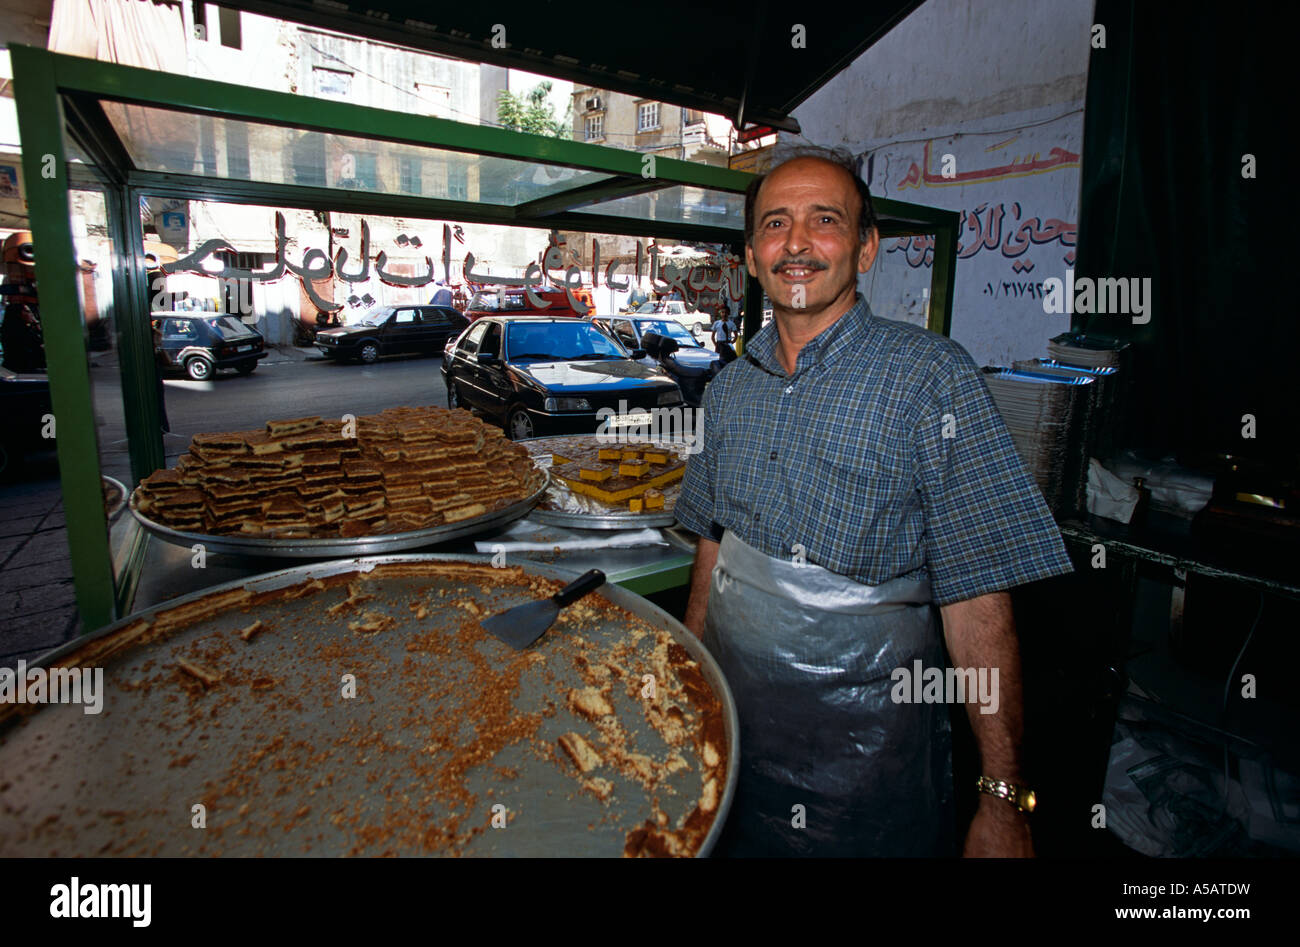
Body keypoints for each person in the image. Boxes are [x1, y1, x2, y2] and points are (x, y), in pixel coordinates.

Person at [674, 151, 1073, 857]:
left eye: (823, 221)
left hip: (868, 767)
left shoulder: (932, 380)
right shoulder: (730, 389)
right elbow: (714, 547)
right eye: (776, 224)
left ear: (864, 247)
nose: (796, 242)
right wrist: (692, 687)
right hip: (736, 736)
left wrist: (1004, 797)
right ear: (753, 256)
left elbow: (978, 599)